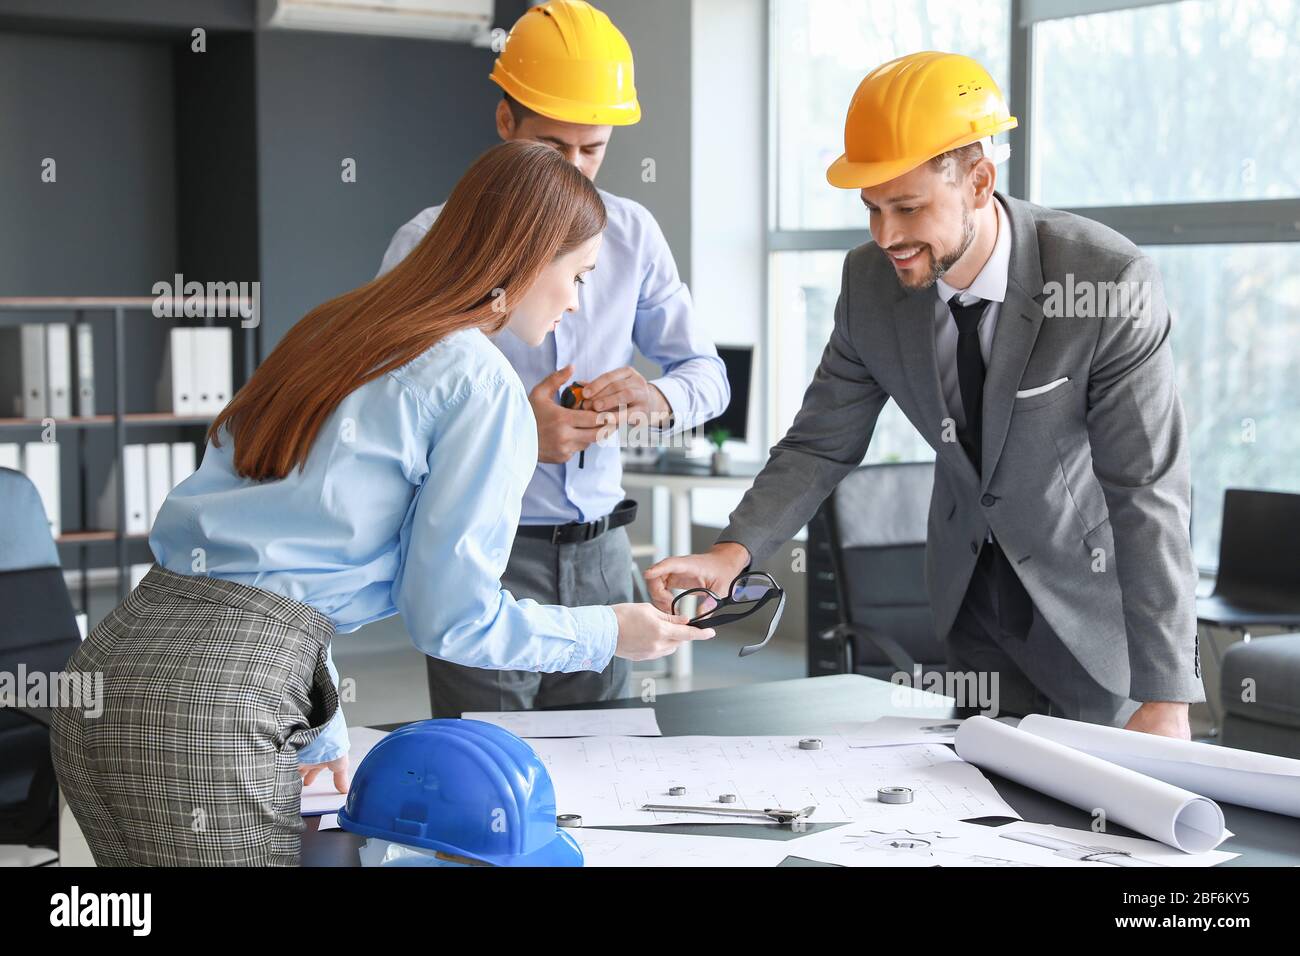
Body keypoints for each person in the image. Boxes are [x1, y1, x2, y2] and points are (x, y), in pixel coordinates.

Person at [49, 141, 712, 866]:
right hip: (216, 707)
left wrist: (321, 725)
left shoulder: (334, 328)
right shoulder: (478, 382)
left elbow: (278, 566)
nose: (576, 303)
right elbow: (453, 619)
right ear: (528, 259)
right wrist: (609, 633)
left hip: (114, 668)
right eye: (577, 276)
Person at [647, 52, 1201, 738]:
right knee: (985, 810)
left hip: (1093, 614)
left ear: (979, 181)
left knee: (1098, 821)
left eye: (908, 208)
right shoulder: (870, 285)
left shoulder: (1104, 282)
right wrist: (730, 554)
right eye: (872, 209)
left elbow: (1146, 488)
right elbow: (820, 443)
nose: (886, 236)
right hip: (969, 603)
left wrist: (1167, 693)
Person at [378, 0, 729, 719]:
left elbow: (708, 376)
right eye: (551, 147)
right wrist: (516, 443)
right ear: (505, 121)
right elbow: (391, 423)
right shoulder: (427, 244)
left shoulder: (633, 234)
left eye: (592, 150)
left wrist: (657, 400)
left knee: (610, 778)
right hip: (487, 553)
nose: (574, 172)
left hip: (604, 556)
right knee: (486, 774)